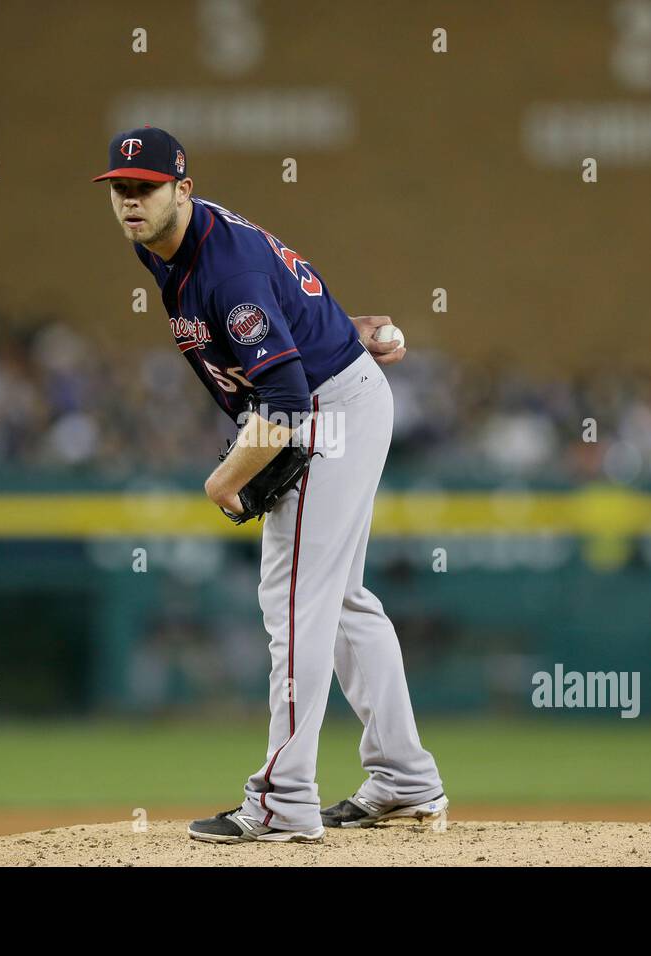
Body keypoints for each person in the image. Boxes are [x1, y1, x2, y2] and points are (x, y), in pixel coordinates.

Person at [94, 126, 446, 842]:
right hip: (335, 391)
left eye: (147, 188)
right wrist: (344, 327)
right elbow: (274, 321)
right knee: (339, 601)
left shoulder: (226, 269)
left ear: (181, 191)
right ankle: (405, 778)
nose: (131, 201)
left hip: (325, 411)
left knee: (293, 604)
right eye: (121, 189)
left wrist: (223, 479)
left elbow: (284, 400)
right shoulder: (162, 244)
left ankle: (283, 800)